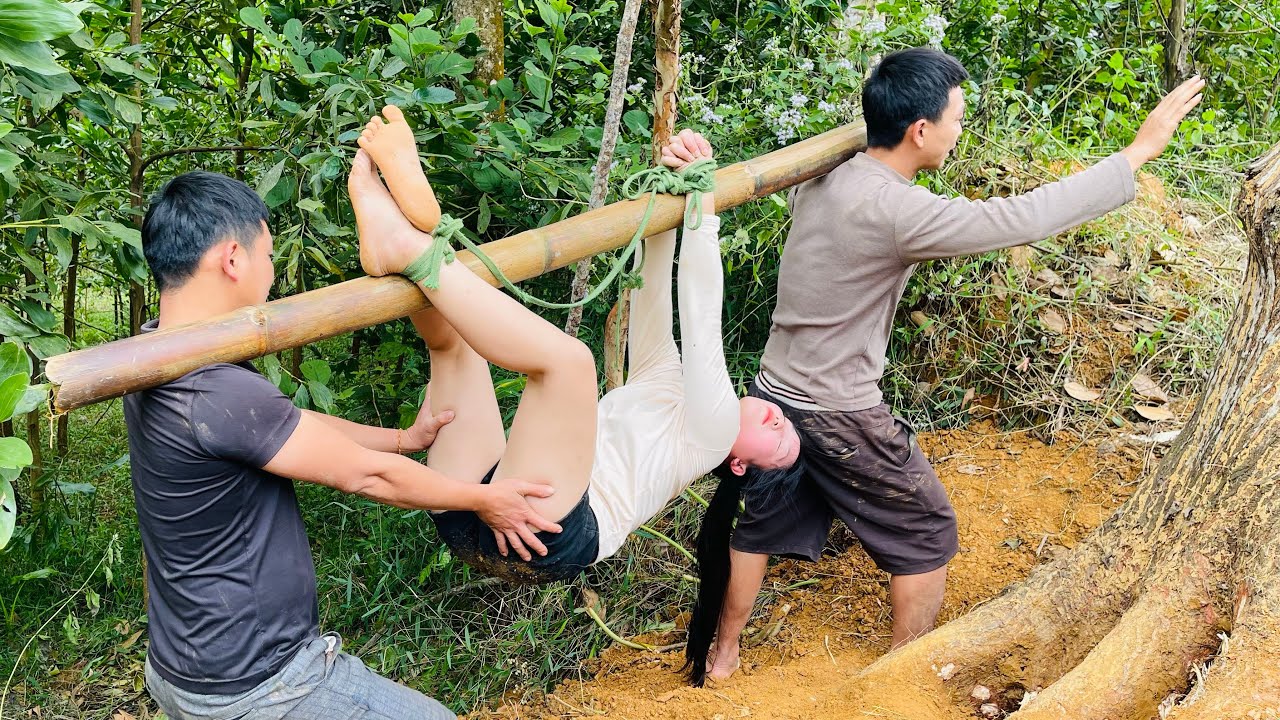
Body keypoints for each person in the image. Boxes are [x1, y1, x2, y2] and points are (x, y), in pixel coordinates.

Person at [693, 47, 1206, 683]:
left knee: (760, 525)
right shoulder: (897, 211)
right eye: (957, 118)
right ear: (919, 130)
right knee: (927, 528)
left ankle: (723, 654)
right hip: (838, 408)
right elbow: (1019, 219)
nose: (960, 131)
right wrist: (1136, 154)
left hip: (772, 395)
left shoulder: (826, 173)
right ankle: (899, 677)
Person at [128, 168, 565, 718]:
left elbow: (288, 424)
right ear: (232, 259)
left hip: (183, 664)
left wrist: (403, 439)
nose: (271, 275)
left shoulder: (149, 356)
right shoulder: (216, 391)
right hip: (258, 684)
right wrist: (484, 499)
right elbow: (366, 476)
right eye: (267, 257)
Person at [351, 108, 803, 582]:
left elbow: (701, 316)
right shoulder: (664, 379)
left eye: (777, 440)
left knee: (569, 363)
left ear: (737, 464)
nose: (777, 417)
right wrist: (674, 189)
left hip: (555, 532)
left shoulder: (713, 437)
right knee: (454, 348)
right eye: (785, 421)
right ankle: (402, 242)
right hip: (478, 500)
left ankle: (412, 248)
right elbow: (652, 285)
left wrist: (704, 206)